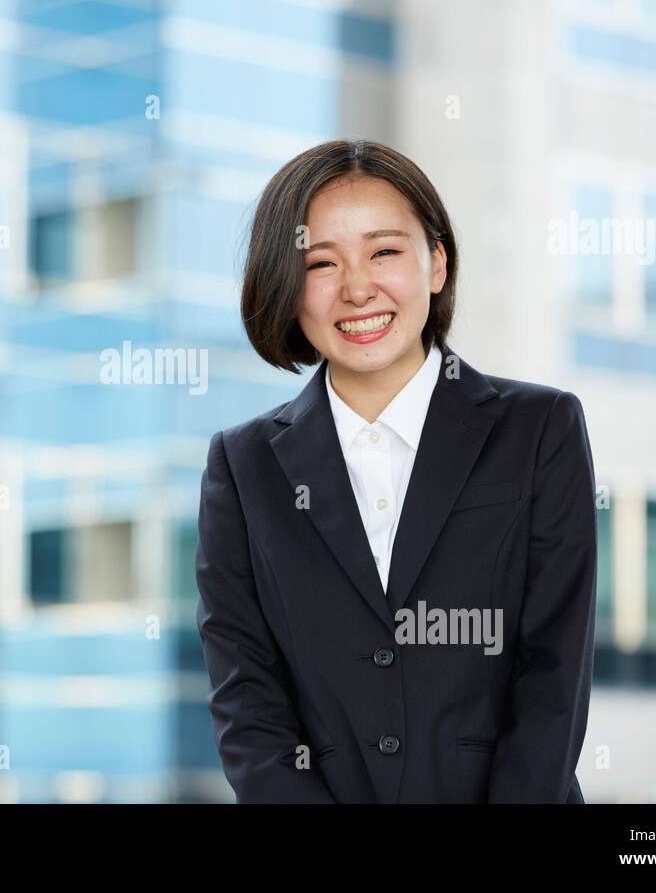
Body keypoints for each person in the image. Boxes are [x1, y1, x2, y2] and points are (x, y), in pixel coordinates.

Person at [194, 139, 596, 803]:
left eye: (384, 252)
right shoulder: (243, 467)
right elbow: (248, 703)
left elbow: (555, 670)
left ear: (436, 263)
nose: (357, 287)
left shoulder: (538, 429)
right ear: (287, 288)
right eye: (321, 262)